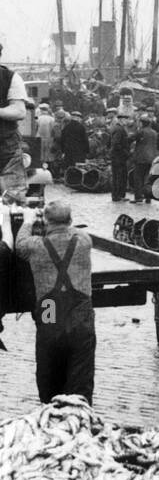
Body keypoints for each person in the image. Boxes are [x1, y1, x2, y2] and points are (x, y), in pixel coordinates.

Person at [0, 199, 96, 403]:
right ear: (70, 220)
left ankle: (50, 414)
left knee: (49, 378)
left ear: (45, 222)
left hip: (49, 312)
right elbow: (75, 231)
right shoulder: (84, 241)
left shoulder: (34, 246)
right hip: (79, 315)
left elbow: (18, 244)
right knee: (81, 381)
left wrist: (28, 220)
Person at [0, 41, 32, 199]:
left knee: (13, 201)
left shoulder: (10, 78)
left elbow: (19, 111)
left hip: (6, 149)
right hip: (7, 148)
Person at [129, 115, 159, 204]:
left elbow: (130, 139)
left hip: (141, 158)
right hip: (152, 158)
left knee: (138, 177)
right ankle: (148, 197)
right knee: (147, 178)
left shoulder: (141, 131)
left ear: (142, 123)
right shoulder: (155, 132)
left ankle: (138, 197)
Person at [108, 111, 131, 202]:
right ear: (121, 119)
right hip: (119, 157)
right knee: (119, 176)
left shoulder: (116, 128)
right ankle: (117, 196)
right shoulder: (119, 129)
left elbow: (109, 143)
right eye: (126, 119)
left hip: (117, 156)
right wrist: (126, 152)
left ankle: (118, 195)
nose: (127, 121)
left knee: (119, 176)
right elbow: (116, 143)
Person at [58, 111, 90, 175]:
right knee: (78, 167)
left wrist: (63, 150)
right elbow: (85, 140)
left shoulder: (66, 127)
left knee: (69, 166)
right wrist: (87, 151)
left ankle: (68, 178)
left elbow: (62, 139)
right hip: (79, 151)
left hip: (68, 150)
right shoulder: (81, 127)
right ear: (78, 118)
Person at [35, 103, 56, 171]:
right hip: (49, 138)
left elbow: (35, 128)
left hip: (39, 138)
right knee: (48, 155)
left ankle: (40, 168)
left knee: (39, 155)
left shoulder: (38, 118)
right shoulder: (52, 119)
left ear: (41, 110)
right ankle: (48, 169)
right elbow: (53, 130)